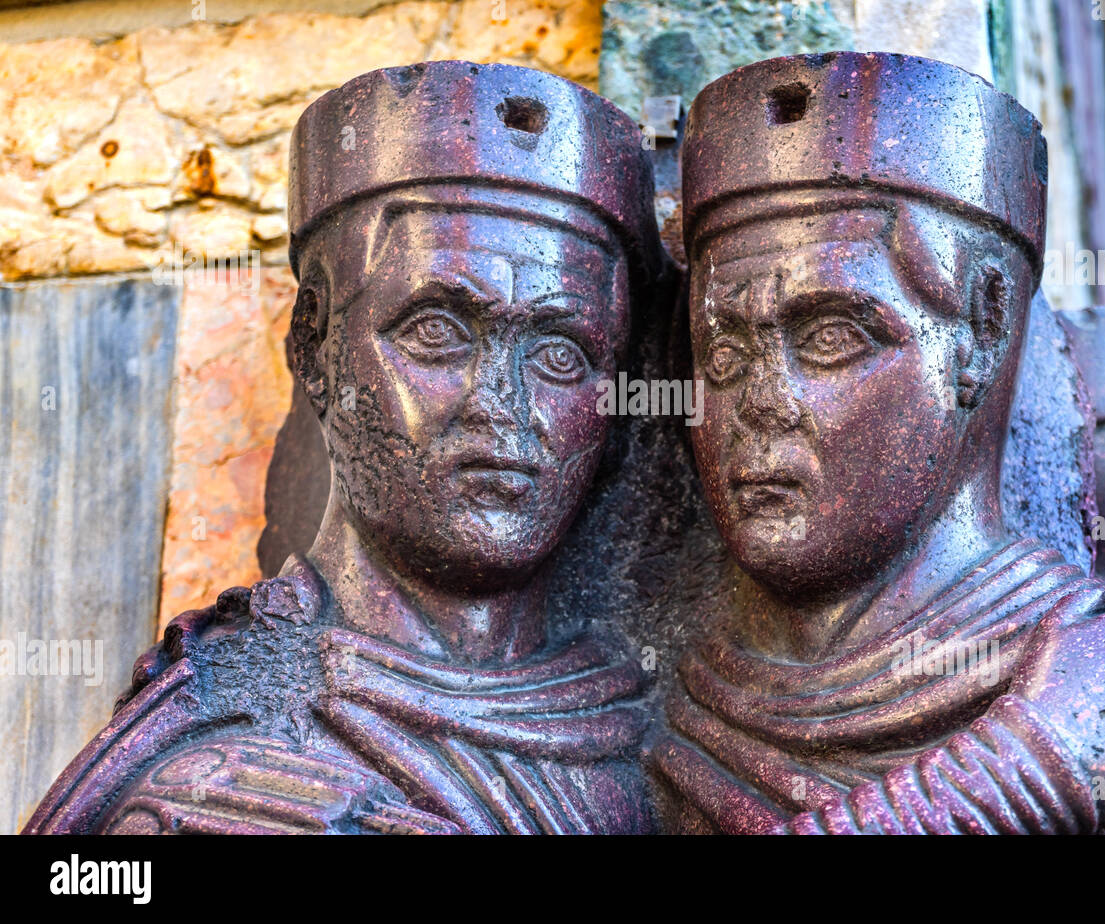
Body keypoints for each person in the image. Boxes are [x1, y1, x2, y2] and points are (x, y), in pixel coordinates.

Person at [652, 51, 1105, 834]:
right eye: (723, 355)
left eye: (829, 337)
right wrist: (1025, 768)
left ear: (984, 328)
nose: (763, 403)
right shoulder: (671, 715)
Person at [25, 61, 666, 835]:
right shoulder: (223, 764)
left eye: (560, 354)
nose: (503, 408)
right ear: (314, 345)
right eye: (438, 332)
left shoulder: (642, 725)